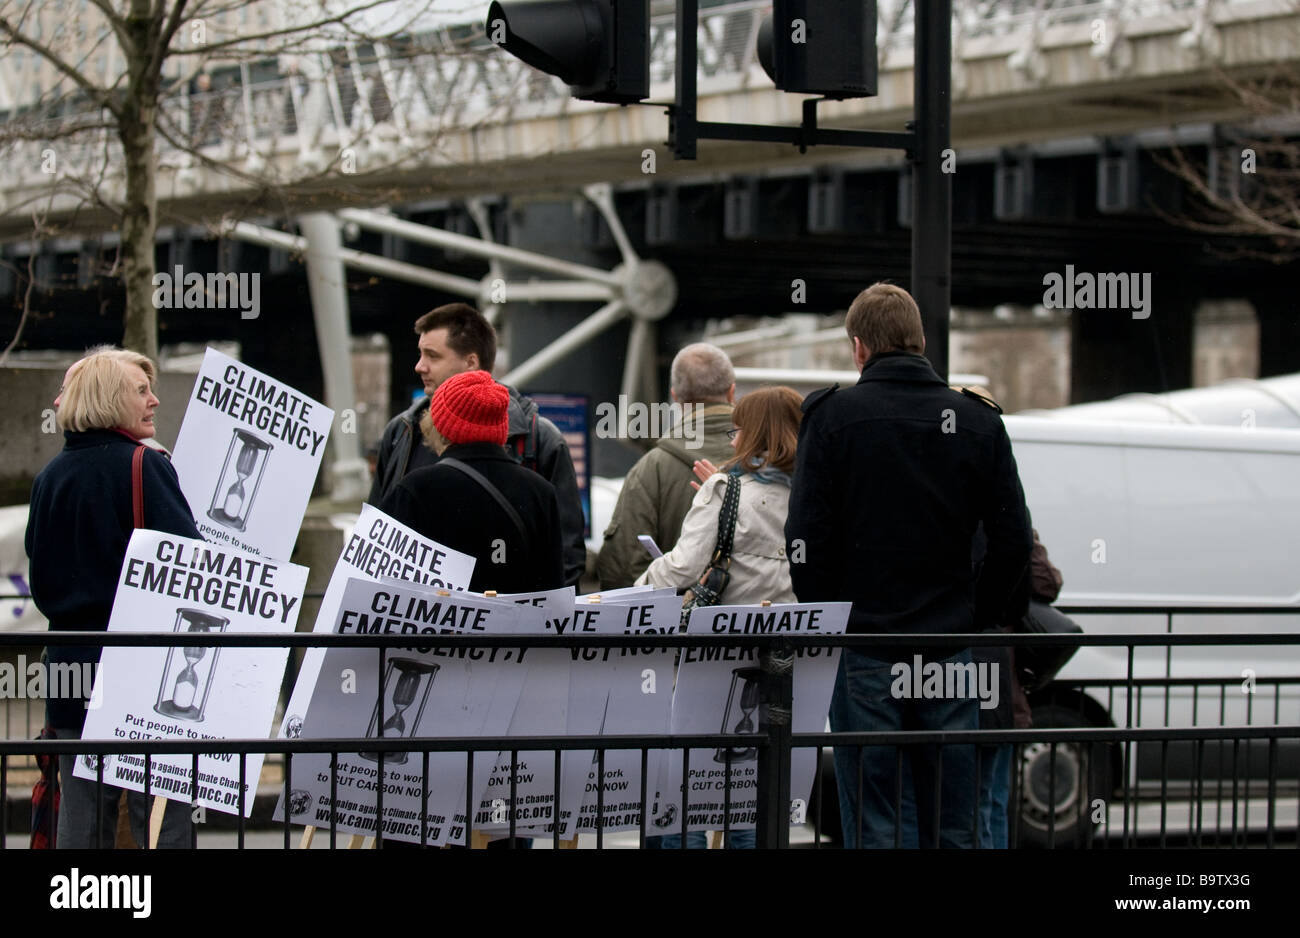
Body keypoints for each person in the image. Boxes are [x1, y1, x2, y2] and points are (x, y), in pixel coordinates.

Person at [785, 282, 1032, 849]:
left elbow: (806, 537)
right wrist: (977, 612)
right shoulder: (975, 420)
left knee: (878, 820)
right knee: (957, 818)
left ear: (858, 348)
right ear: (920, 341)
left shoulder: (832, 417)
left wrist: (833, 616)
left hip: (866, 645)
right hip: (949, 646)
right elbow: (1013, 542)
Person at [26, 349, 201, 849]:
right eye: (141, 391)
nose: (154, 400)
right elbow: (191, 568)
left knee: (81, 817)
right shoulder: (145, 466)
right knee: (158, 812)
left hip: (70, 665)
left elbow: (44, 581)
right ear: (109, 398)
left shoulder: (49, 478)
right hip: (140, 668)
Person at [636, 385, 804, 849]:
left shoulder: (724, 489)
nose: (731, 442)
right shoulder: (815, 496)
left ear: (755, 435)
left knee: (687, 787)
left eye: (738, 432)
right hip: (781, 663)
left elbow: (683, 568)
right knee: (751, 792)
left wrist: (634, 592)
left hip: (714, 658)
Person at [368, 303, 585, 587]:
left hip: (470, 623)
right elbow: (377, 544)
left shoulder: (541, 439)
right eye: (421, 354)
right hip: (451, 622)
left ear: (471, 362)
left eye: (432, 355)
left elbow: (565, 558)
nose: (419, 365)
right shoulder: (401, 431)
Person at [379, 369, 564, 596]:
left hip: (437, 627)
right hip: (517, 630)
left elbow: (381, 586)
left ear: (442, 425)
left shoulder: (415, 490)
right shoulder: (540, 492)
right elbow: (554, 593)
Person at [596, 343, 737, 590]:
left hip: (674, 622)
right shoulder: (772, 460)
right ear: (732, 392)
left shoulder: (652, 468)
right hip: (763, 622)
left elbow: (623, 566)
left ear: (675, 397)